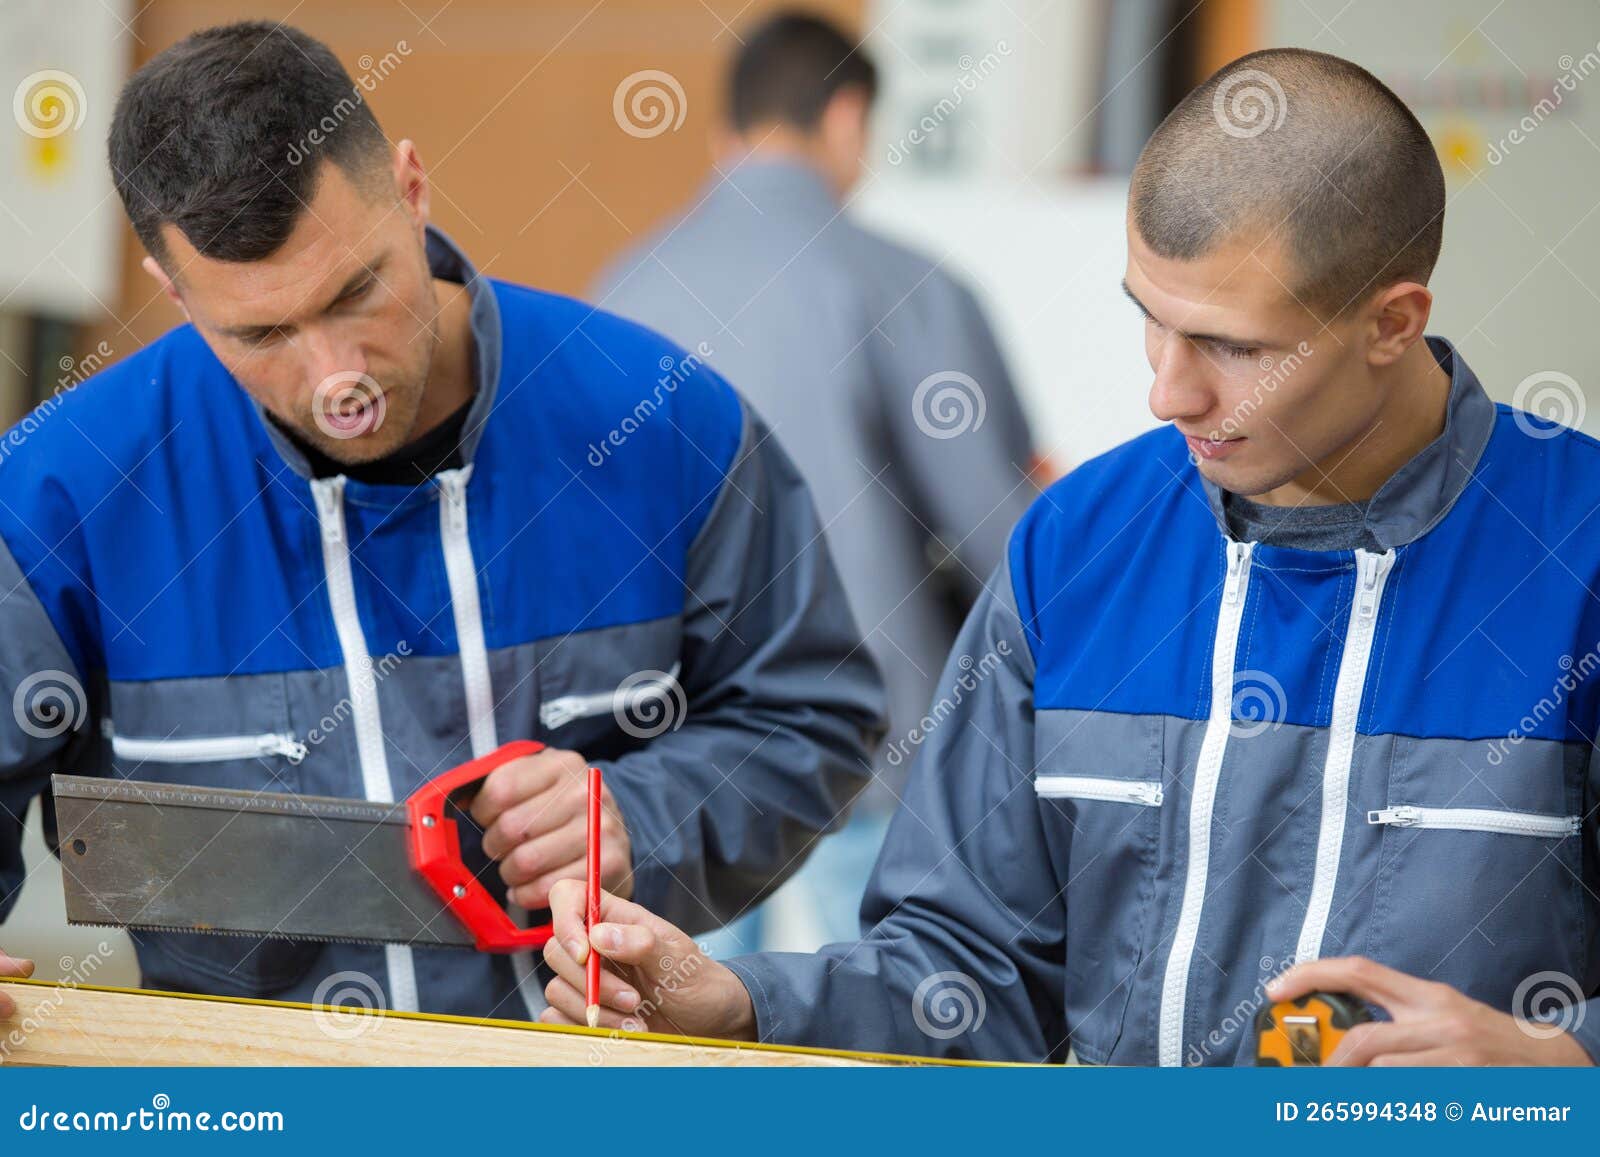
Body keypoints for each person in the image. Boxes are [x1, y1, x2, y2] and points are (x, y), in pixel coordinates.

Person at [536, 48, 1600, 1066]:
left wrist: (1557, 1057)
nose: (1168, 392)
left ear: (1392, 322)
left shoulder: (1578, 556)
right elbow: (968, 974)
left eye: (1235, 347)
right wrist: (745, 1000)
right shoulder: (1078, 545)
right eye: (1151, 321)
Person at [0, 21, 885, 1023]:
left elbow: (813, 710)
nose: (335, 377)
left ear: (412, 190)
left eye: (356, 289)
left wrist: (647, 813)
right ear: (171, 289)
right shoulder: (60, 497)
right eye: (260, 333)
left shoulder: (660, 421)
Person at [593, 11, 1041, 953]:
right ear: (846, 120)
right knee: (884, 1024)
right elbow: (998, 536)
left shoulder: (619, 289)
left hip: (671, 753)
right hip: (873, 735)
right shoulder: (904, 285)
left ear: (727, 135)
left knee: (684, 1024)